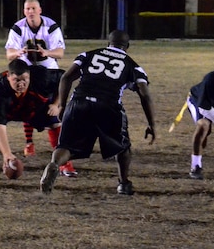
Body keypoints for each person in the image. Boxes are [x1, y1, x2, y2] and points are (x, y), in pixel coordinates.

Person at [39, 30, 156, 196]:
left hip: (79, 102)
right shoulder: (132, 65)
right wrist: (151, 124)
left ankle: (54, 165)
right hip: (108, 106)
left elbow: (66, 78)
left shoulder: (88, 54)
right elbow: (144, 92)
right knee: (123, 147)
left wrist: (63, 106)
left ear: (108, 43)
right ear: (127, 47)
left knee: (66, 146)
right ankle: (123, 183)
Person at [4, 0, 75, 176]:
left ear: (40, 10)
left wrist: (47, 53)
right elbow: (9, 54)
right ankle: (29, 143)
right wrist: (17, 52)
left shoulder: (51, 27)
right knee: (28, 108)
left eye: (34, 8)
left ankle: (64, 163)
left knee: (54, 117)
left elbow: (60, 53)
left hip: (48, 74)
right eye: (28, 9)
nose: (31, 11)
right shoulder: (18, 27)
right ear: (24, 11)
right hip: (26, 75)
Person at [0, 59, 63, 174]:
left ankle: (64, 163)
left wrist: (56, 104)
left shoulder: (42, 77)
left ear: (30, 76)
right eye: (16, 80)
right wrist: (6, 153)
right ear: (8, 77)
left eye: (24, 80)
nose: (21, 84)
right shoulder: (0, 89)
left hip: (31, 102)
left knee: (55, 122)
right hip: (9, 105)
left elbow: (63, 79)